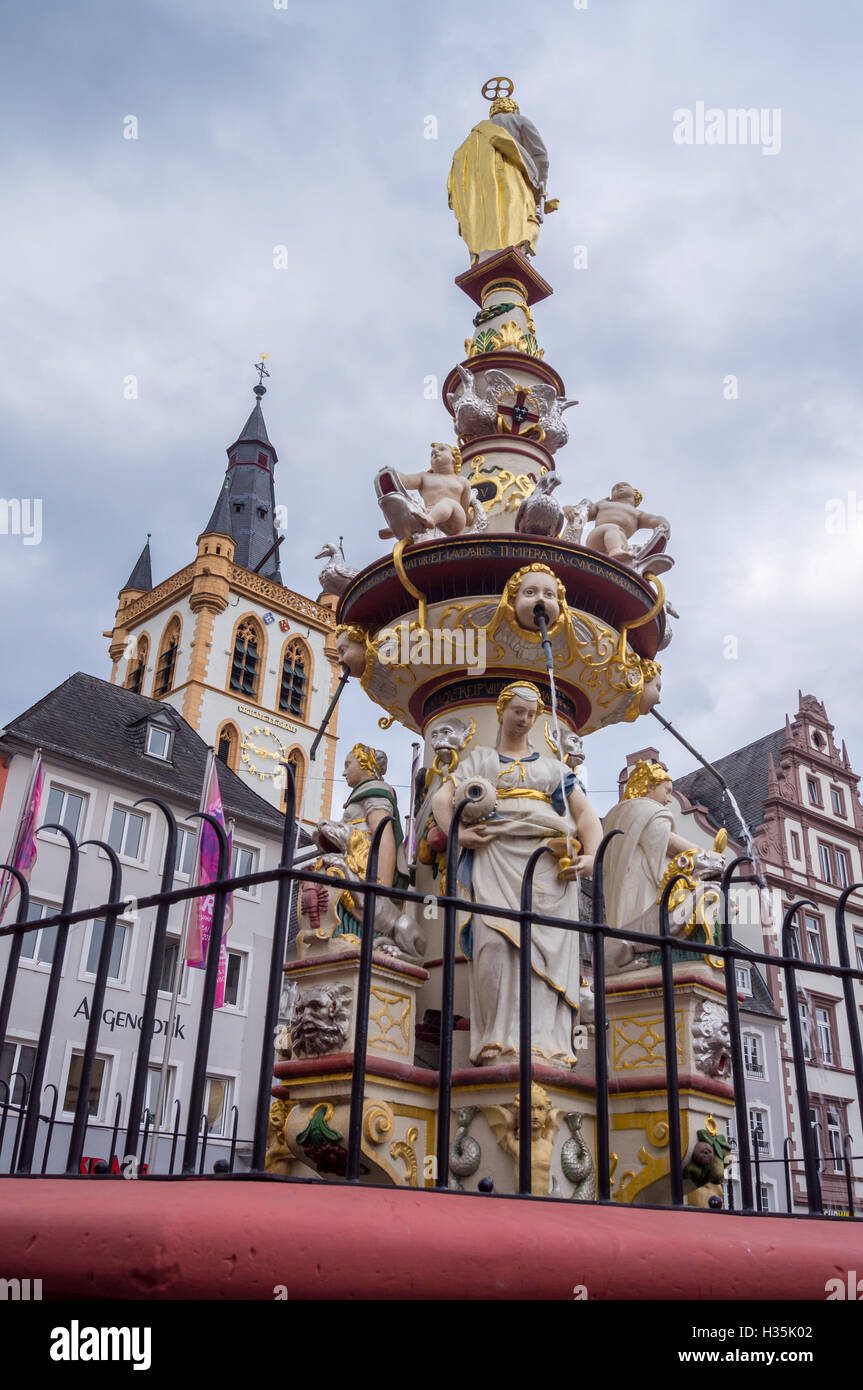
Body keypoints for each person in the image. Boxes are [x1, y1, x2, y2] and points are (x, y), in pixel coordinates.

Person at [432, 682, 602, 1068]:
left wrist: (592, 855)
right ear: (502, 711)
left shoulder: (553, 768)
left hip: (548, 868)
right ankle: (495, 1035)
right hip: (494, 856)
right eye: (517, 711)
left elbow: (586, 815)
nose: (524, 720)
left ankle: (548, 1042)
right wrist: (457, 833)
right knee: (493, 943)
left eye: (530, 714)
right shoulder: (481, 760)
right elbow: (442, 799)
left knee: (547, 955)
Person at [448, 92, 552, 263]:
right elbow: (540, 155)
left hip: (482, 184)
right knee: (514, 212)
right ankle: (514, 247)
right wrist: (540, 185)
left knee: (489, 215)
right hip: (513, 176)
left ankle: (483, 253)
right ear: (514, 110)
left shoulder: (476, 133)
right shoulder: (520, 121)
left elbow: (459, 167)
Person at [378, 443, 471, 540]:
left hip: (455, 520)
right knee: (406, 505)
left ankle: (411, 525)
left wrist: (476, 515)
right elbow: (406, 480)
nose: (435, 452)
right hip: (427, 515)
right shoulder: (425, 477)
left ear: (454, 458)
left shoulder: (463, 482)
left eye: (442, 449)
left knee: (448, 502)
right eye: (431, 454)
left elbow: (465, 511)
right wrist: (393, 474)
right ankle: (401, 527)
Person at [583, 483, 670, 566]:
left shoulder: (638, 514)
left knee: (618, 533)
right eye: (614, 488)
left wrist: (663, 523)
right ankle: (615, 551)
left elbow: (655, 520)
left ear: (634, 493)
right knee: (612, 528)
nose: (619, 486)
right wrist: (570, 510)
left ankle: (620, 556)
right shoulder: (604, 504)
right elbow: (582, 513)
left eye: (624, 485)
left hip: (620, 540)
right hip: (597, 537)